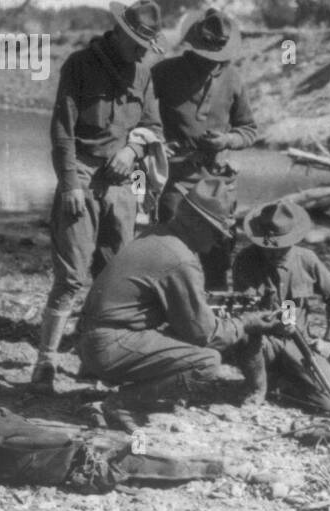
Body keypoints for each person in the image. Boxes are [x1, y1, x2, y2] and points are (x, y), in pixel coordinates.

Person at [31, 0, 167, 390]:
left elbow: (152, 125)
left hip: (122, 185)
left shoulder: (143, 73)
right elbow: (62, 132)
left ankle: (95, 361)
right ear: (121, 34)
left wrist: (133, 149)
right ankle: (47, 362)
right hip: (84, 178)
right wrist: (70, 183)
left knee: (112, 276)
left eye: (147, 45)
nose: (143, 52)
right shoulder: (79, 65)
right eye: (139, 43)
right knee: (71, 277)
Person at [74, 176, 282, 427]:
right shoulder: (180, 258)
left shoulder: (158, 234)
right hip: (108, 346)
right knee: (206, 362)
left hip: (95, 340)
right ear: (195, 222)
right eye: (215, 232)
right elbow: (205, 335)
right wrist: (246, 322)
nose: (216, 242)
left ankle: (132, 391)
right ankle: (123, 402)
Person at [152, 7, 258, 287]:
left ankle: (215, 321)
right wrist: (157, 142)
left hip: (219, 181)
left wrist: (228, 140)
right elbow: (137, 114)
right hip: (176, 180)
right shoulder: (164, 72)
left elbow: (249, 129)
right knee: (171, 253)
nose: (213, 62)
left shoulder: (234, 79)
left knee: (218, 258)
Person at [231, 200, 330, 412]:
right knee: (243, 338)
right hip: (261, 342)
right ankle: (257, 387)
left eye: (280, 248)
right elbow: (244, 308)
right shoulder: (245, 260)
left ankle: (285, 382)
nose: (272, 254)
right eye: (266, 248)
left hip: (298, 342)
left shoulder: (306, 260)